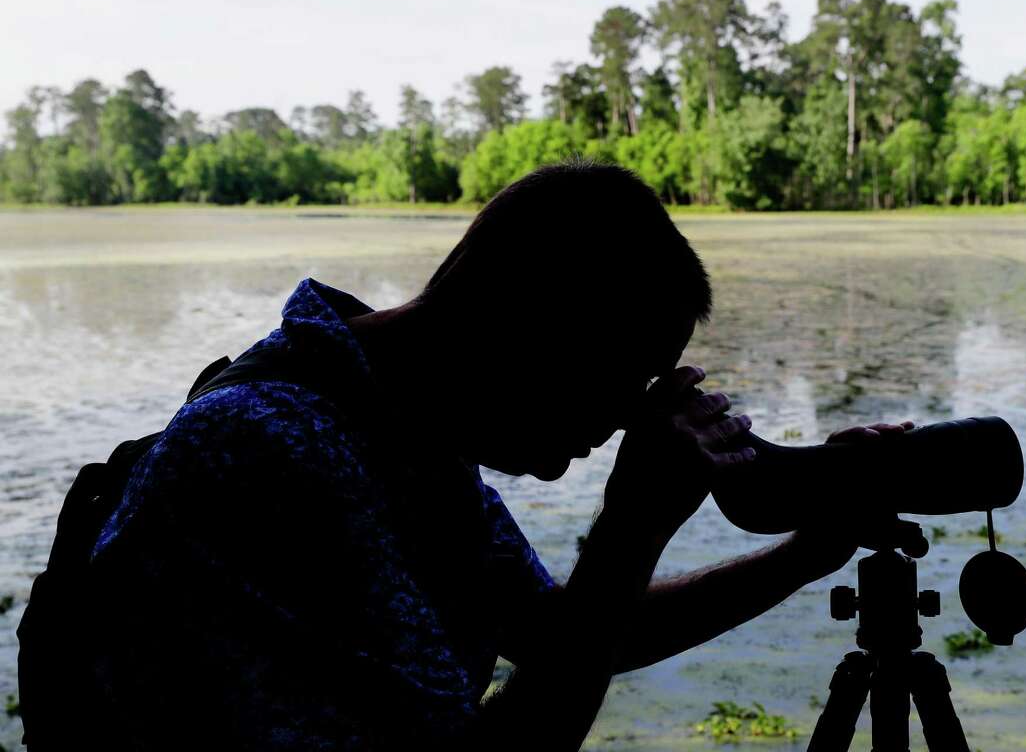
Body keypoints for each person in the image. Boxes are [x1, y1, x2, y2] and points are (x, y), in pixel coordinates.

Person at [89, 161, 905, 750]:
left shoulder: (399, 425)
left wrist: (809, 550)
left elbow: (562, 634)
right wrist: (629, 527)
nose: (627, 419)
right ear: (526, 327)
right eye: (621, 379)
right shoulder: (264, 450)